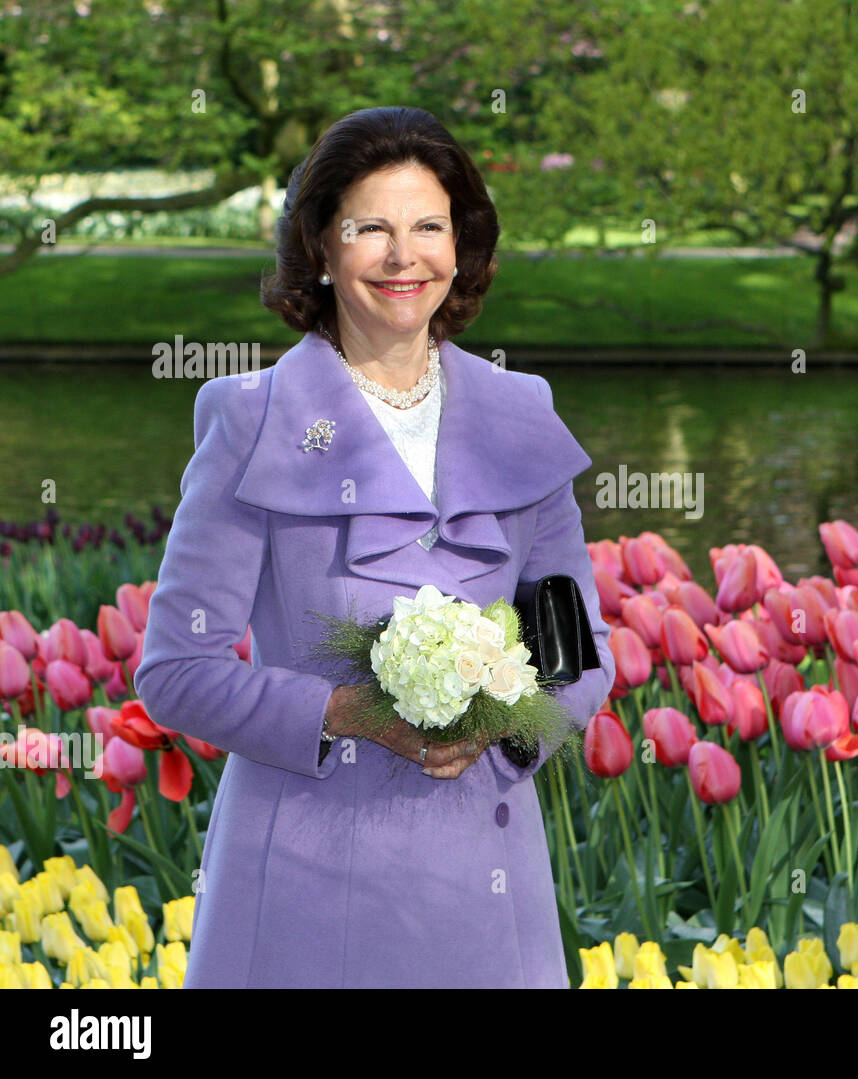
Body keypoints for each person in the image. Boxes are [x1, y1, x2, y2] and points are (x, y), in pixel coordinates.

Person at [134, 106, 616, 988]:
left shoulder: (522, 417)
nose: (405, 257)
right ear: (320, 245)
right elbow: (176, 668)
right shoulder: (252, 421)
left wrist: (502, 725)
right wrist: (347, 714)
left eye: (430, 226)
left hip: (486, 894)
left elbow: (574, 654)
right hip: (301, 901)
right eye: (371, 230)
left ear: (462, 246)